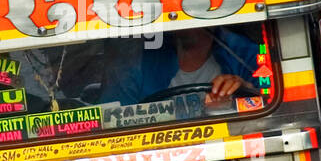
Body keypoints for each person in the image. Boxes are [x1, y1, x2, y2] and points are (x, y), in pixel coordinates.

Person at [106, 26, 258, 105]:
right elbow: (111, 115)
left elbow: (273, 106)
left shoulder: (246, 53)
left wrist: (244, 91)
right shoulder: (138, 59)